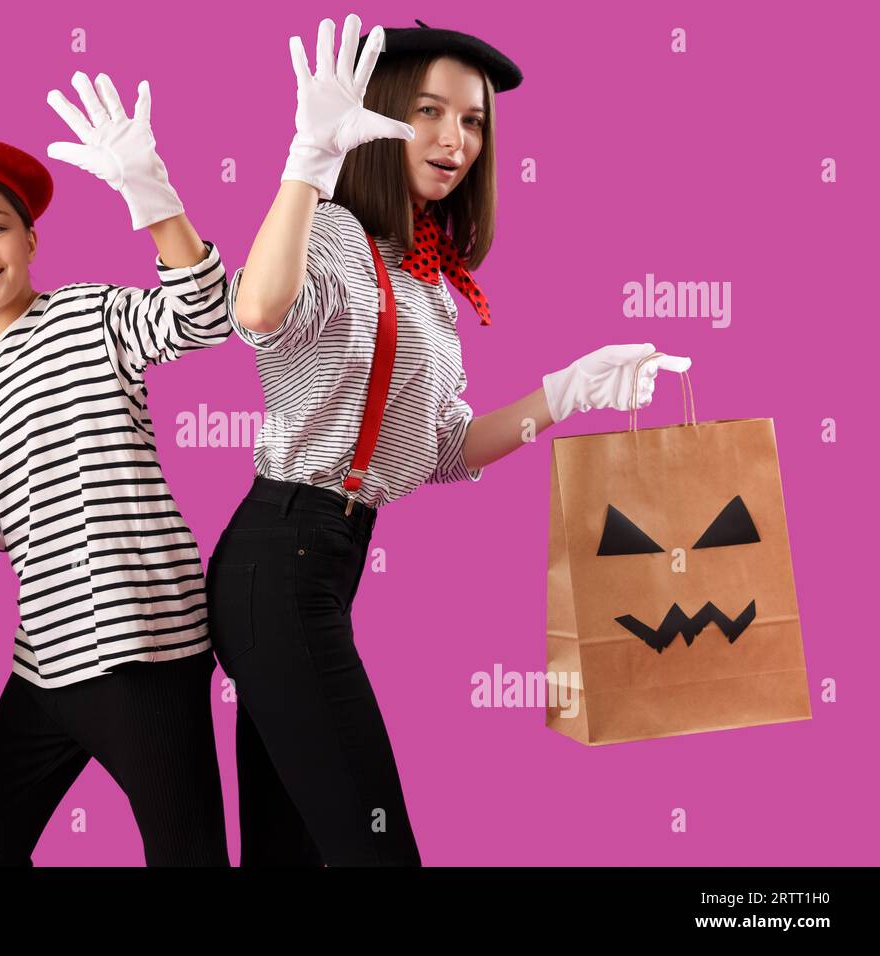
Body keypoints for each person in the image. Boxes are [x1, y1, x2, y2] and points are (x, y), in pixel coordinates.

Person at [206, 15, 691, 866]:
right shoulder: (327, 232)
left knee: (289, 849)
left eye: (471, 121)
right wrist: (305, 163)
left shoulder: (425, 283)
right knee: (377, 844)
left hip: (326, 561)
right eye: (430, 113)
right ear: (382, 116)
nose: (454, 139)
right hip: (278, 553)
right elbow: (256, 310)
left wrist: (570, 389)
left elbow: (445, 452)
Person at [0, 71, 232, 865]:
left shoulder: (89, 314)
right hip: (46, 661)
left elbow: (204, 318)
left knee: (185, 852)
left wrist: (154, 199)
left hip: (142, 647)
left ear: (30, 240)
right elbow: (6, 521)